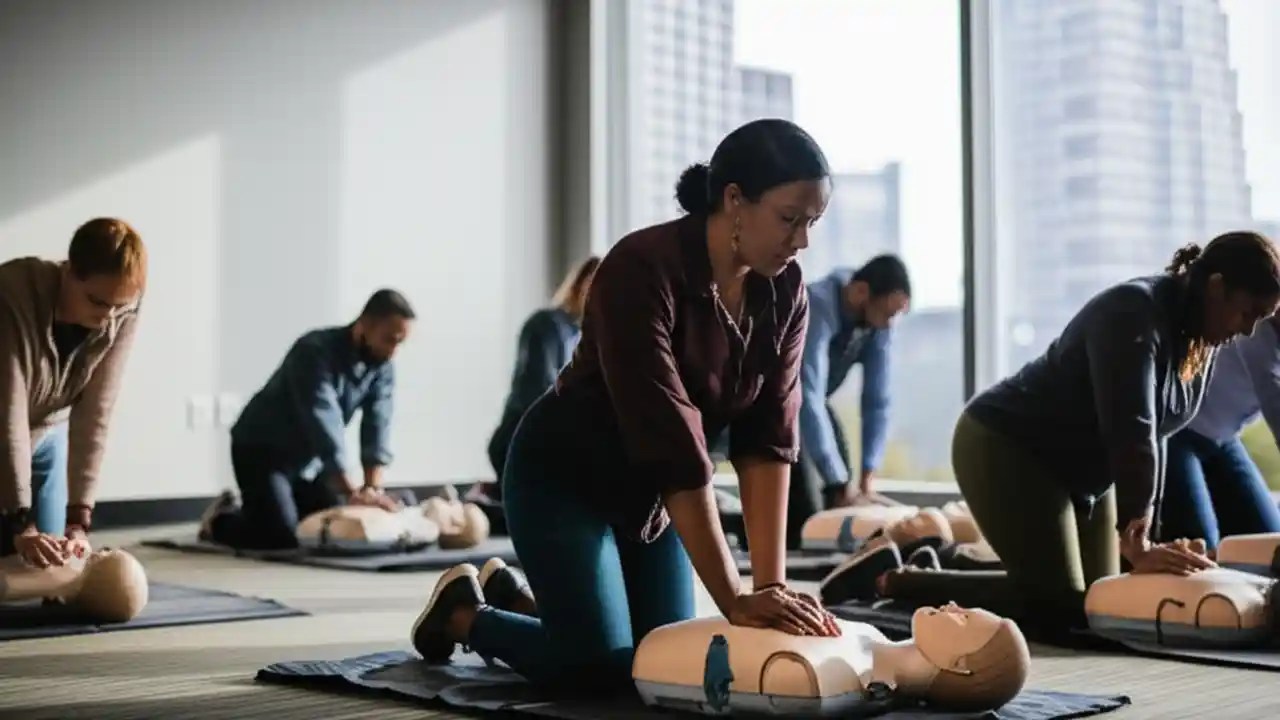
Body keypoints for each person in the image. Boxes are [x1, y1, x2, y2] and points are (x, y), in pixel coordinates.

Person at [410, 119, 841, 690]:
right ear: (735, 199)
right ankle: (464, 613)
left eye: (812, 222)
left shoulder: (785, 291)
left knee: (663, 661)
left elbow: (768, 440)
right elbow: (672, 440)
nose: (802, 241)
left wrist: (770, 588)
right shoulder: (641, 266)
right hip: (564, 478)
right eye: (790, 219)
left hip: (654, 500)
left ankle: (521, 600)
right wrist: (734, 599)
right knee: (601, 669)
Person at [891, 232, 1280, 637]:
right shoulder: (1133, 312)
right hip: (1010, 446)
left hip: (1087, 474)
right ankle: (909, 581)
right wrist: (1138, 540)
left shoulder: (1200, 338)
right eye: (1248, 313)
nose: (1249, 331)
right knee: (1062, 609)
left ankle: (968, 564)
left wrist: (1151, 538)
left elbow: (1161, 433)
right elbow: (1133, 431)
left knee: (1105, 600)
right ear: (1216, 287)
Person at [200, 290, 415, 550]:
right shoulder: (313, 351)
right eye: (390, 340)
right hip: (261, 451)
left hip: (307, 464)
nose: (394, 351)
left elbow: (378, 425)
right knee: (280, 536)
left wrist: (372, 491)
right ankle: (219, 520)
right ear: (365, 325)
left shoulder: (383, 366)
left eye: (400, 343)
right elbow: (323, 422)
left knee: (332, 520)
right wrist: (352, 493)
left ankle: (263, 507)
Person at [0, 218, 147, 568]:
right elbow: (8, 414)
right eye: (98, 302)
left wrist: (79, 521)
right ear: (69, 271)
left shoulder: (122, 308)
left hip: (43, 437)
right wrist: (19, 522)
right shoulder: (12, 295)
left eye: (119, 307)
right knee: (13, 552)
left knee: (56, 562)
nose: (108, 318)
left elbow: (96, 412)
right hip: (6, 430)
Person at [467, 256, 601, 529]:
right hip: (522, 439)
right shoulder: (547, 325)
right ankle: (482, 506)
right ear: (580, 284)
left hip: (547, 442)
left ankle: (489, 500)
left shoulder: (584, 336)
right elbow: (540, 392)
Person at [788, 256, 911, 548]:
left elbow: (877, 402)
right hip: (780, 403)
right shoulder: (816, 305)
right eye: (886, 313)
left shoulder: (878, 326)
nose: (888, 324)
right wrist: (837, 481)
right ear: (860, 292)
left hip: (812, 403)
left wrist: (868, 472)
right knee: (809, 508)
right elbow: (807, 394)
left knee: (842, 488)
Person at [1159, 314, 1280, 552]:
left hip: (1223, 439)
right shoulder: (1257, 329)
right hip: (1178, 435)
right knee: (1202, 547)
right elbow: (1274, 403)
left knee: (1270, 542)